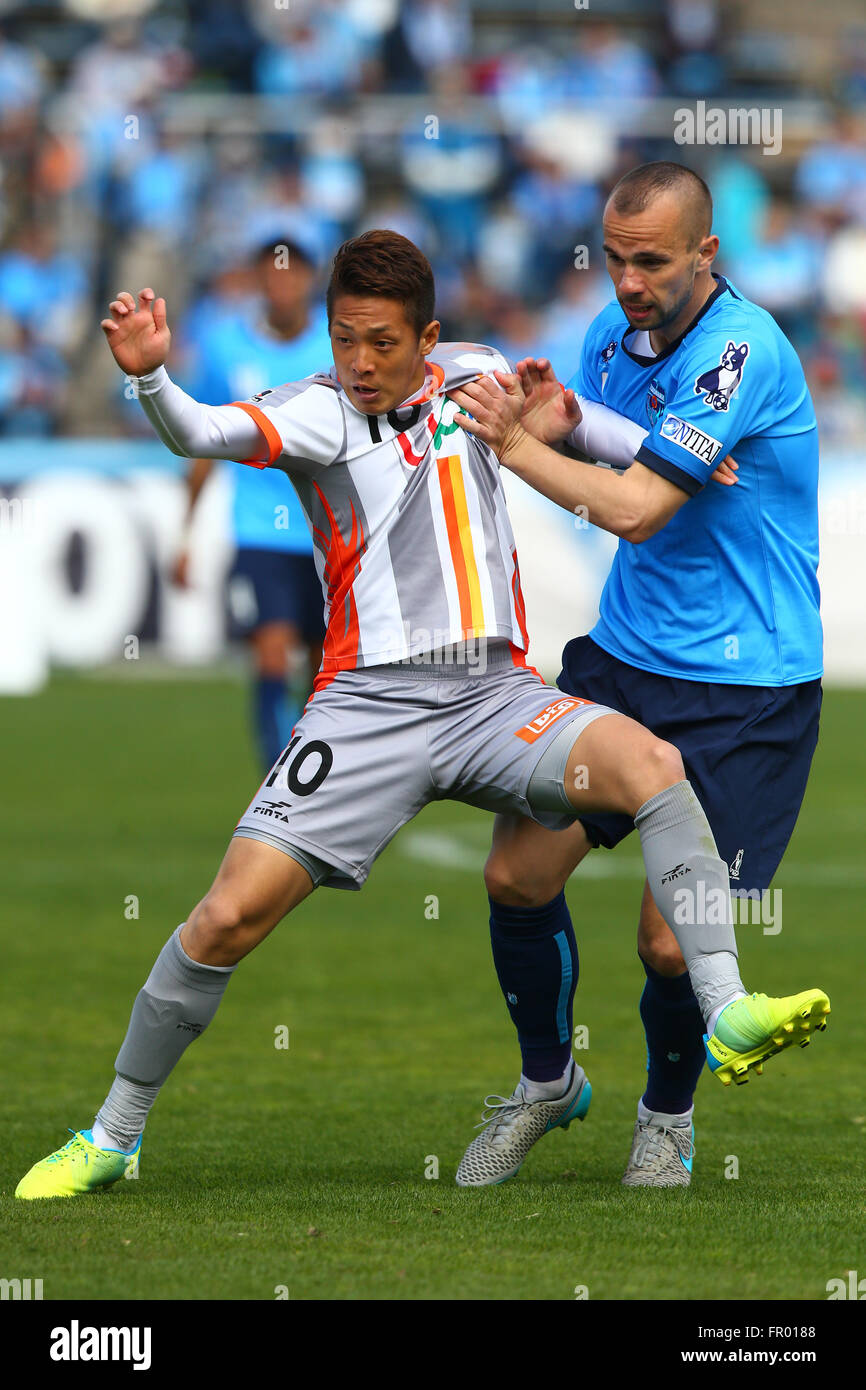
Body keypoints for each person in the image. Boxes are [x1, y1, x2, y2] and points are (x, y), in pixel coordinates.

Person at [16, 229, 826, 1200]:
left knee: (653, 767)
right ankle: (113, 1132)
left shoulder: (476, 373)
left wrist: (543, 410)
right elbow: (204, 432)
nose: (358, 362)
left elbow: (573, 430)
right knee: (225, 917)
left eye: (382, 343)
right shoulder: (313, 412)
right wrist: (151, 381)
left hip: (494, 695)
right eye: (343, 337)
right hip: (366, 710)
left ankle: (725, 1004)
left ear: (427, 337)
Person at [447, 163, 828, 1189]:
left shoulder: (737, 352)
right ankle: (545, 1082)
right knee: (512, 877)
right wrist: (561, 414)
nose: (625, 280)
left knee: (669, 945)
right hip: (622, 661)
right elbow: (623, 446)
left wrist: (516, 445)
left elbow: (633, 507)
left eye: (649, 261)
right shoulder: (608, 338)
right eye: (613, 258)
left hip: (746, 697)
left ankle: (663, 1115)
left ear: (706, 253)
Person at [172, 225, 330, 770]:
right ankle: (274, 778)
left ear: (309, 280)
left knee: (321, 663)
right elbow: (203, 440)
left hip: (326, 532)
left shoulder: (333, 348)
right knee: (270, 650)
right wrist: (185, 535)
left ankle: (315, 771)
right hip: (259, 530)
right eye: (271, 275)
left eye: (291, 275)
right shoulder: (225, 347)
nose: (281, 287)